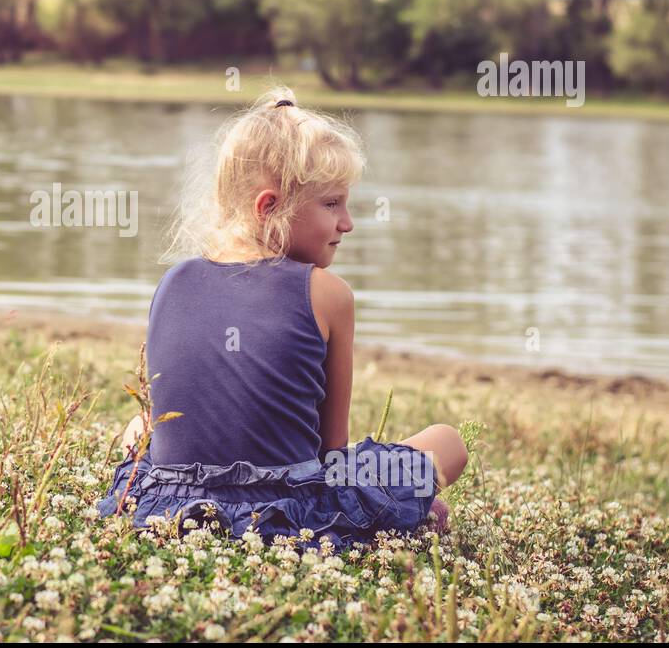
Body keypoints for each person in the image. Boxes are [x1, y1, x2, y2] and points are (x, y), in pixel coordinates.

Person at [96, 85, 468, 548]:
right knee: (447, 441)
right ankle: (394, 520)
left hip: (168, 504)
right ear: (269, 208)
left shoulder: (172, 281)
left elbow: (164, 420)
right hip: (286, 515)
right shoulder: (329, 294)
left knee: (138, 428)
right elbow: (330, 454)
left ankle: (399, 517)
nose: (347, 223)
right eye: (331, 204)